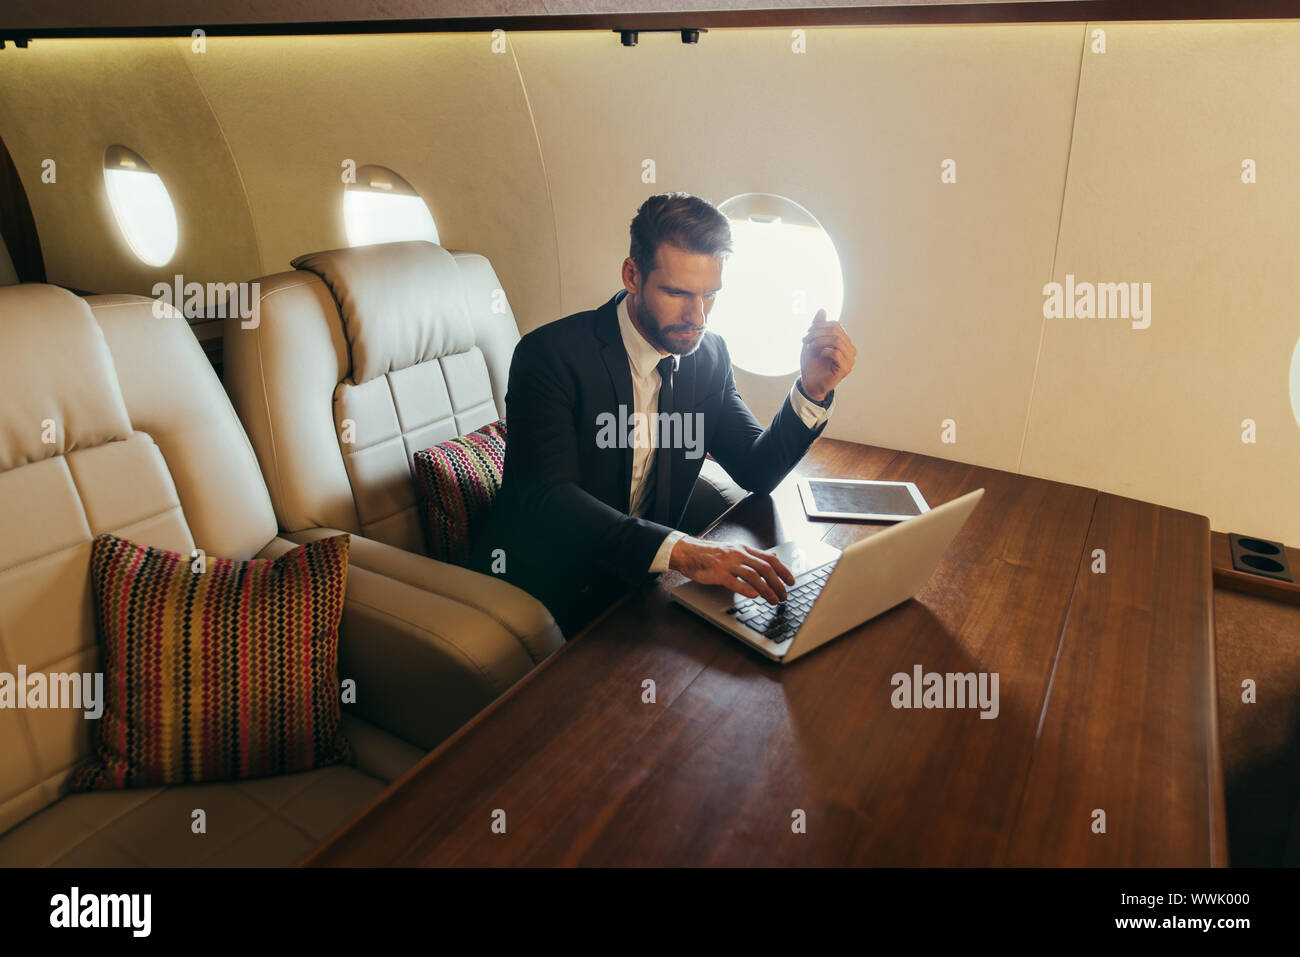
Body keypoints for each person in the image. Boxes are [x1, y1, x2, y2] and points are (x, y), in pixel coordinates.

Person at [469, 192, 857, 637]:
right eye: (677, 293)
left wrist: (813, 389)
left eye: (710, 295)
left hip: (642, 580)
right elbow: (550, 500)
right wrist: (685, 553)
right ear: (632, 276)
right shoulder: (550, 356)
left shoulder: (708, 355)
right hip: (547, 583)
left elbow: (756, 467)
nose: (697, 317)